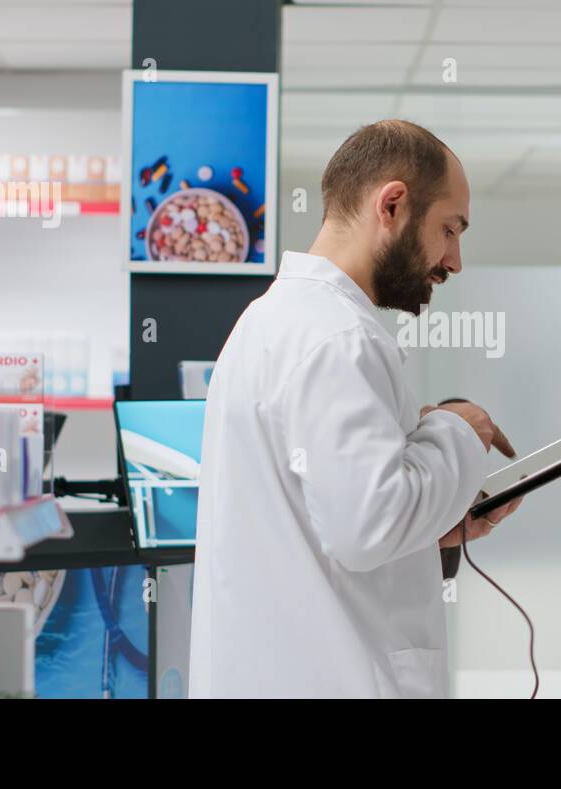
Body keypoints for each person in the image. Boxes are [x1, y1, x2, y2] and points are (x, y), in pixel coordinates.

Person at [189, 120, 521, 698]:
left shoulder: (272, 321)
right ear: (392, 205)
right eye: (449, 229)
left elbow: (328, 524)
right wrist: (460, 431)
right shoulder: (339, 337)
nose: (454, 259)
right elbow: (369, 526)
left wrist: (431, 524)